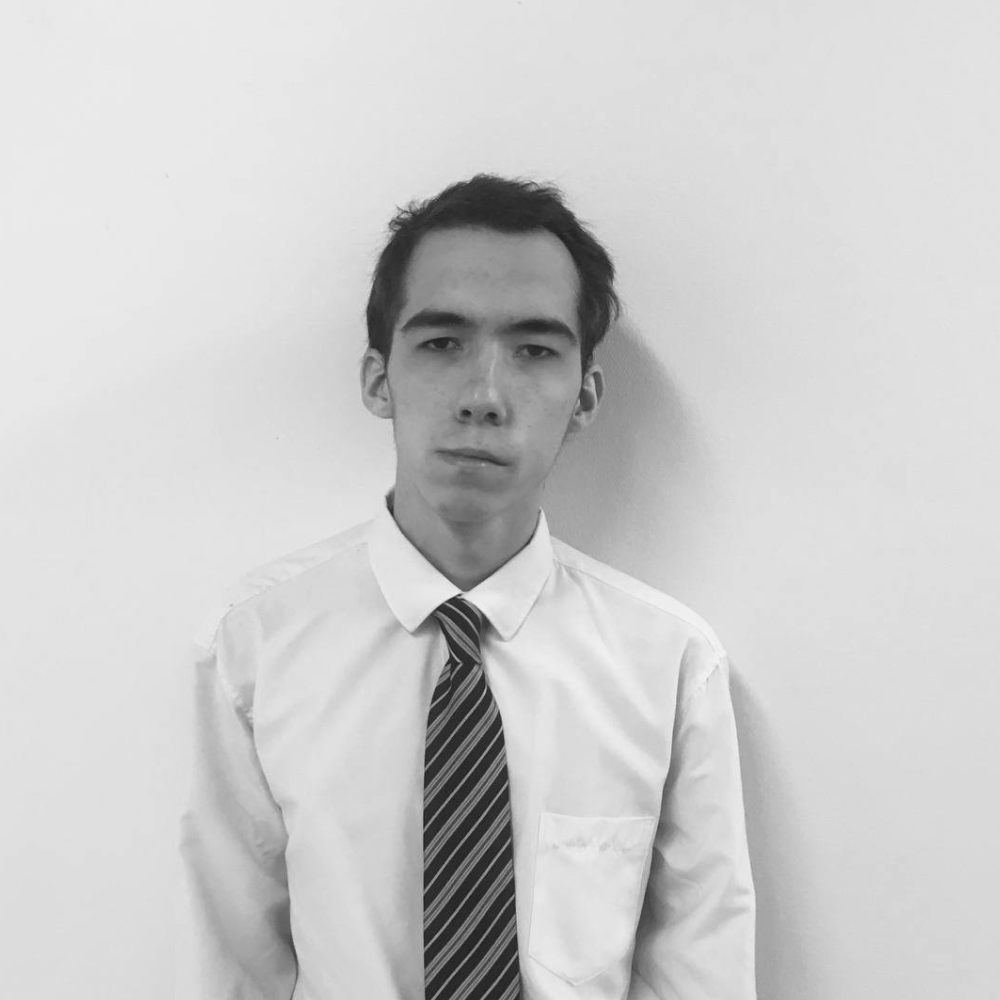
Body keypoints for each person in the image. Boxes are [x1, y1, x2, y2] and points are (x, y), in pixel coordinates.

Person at [176, 174, 756, 1000]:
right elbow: (231, 961)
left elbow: (701, 968)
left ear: (585, 396)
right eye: (442, 343)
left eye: (535, 350)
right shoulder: (255, 646)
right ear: (378, 379)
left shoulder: (669, 666)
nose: (484, 396)